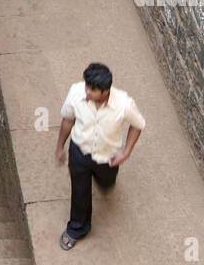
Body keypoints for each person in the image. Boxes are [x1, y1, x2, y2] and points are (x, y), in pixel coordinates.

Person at [55, 62, 145, 250]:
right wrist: (60, 146)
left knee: (106, 182)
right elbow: (67, 120)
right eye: (86, 86)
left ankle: (105, 183)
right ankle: (77, 228)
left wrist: (126, 152)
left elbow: (138, 125)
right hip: (79, 151)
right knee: (80, 191)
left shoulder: (124, 104)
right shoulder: (76, 92)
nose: (86, 92)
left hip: (108, 157)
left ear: (105, 92)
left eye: (92, 90)